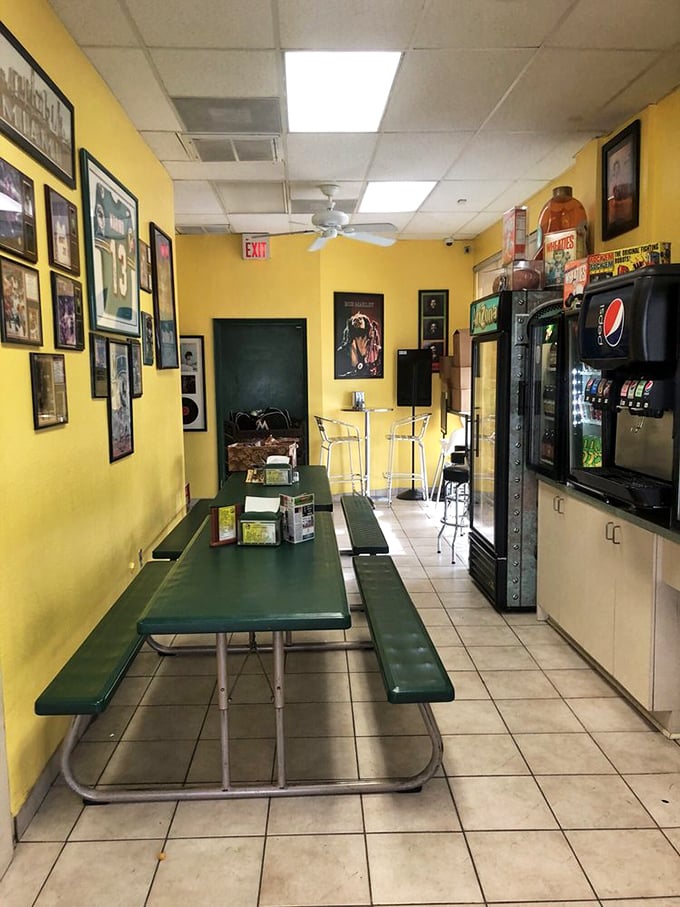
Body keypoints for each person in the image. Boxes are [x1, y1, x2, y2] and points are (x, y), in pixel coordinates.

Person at [336, 312, 382, 378]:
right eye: (354, 320)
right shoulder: (342, 352)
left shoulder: (378, 351)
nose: (357, 320)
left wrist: (363, 358)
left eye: (360, 319)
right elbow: (340, 375)